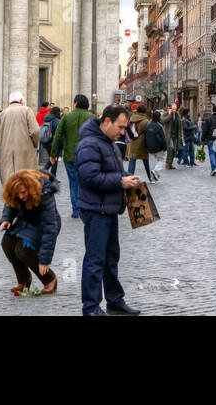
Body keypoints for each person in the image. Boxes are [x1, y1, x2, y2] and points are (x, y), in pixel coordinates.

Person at [75, 105, 142, 316]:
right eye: (120, 127)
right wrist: (120, 181)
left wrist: (126, 178)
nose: (123, 132)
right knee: (95, 260)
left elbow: (113, 171)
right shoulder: (89, 144)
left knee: (111, 258)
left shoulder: (110, 143)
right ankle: (91, 307)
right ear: (106, 122)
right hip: (96, 210)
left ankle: (114, 300)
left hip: (109, 208)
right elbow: (89, 177)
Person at [0, 168, 61, 296]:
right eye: (18, 194)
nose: (21, 197)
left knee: (23, 249)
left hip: (44, 224)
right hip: (26, 221)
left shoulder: (45, 194)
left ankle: (50, 279)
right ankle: (24, 280)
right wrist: (6, 219)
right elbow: (10, 204)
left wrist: (44, 259)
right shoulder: (17, 193)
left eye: (23, 192)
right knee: (7, 242)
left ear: (31, 187)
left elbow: (50, 227)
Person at [49, 94, 96, 218]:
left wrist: (53, 153)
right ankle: (86, 207)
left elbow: (57, 136)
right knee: (86, 182)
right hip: (88, 156)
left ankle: (76, 210)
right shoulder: (92, 117)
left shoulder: (66, 117)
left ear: (75, 103)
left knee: (73, 182)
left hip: (70, 155)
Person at [0, 91, 40, 184]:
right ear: (21, 100)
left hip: (6, 154)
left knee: (10, 185)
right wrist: (35, 144)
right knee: (26, 183)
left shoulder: (1, 115)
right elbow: (35, 131)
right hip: (25, 153)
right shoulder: (27, 111)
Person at [125, 104, 156, 182]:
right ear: (144, 111)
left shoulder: (131, 118)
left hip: (133, 142)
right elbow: (149, 132)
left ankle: (130, 177)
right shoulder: (145, 121)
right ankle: (150, 178)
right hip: (142, 143)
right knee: (146, 161)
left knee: (132, 160)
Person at [145, 109, 168, 177]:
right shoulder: (159, 127)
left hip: (149, 147)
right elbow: (163, 138)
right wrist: (165, 149)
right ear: (159, 117)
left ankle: (152, 178)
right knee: (162, 160)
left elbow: (145, 137)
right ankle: (155, 171)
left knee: (151, 163)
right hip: (158, 147)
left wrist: (146, 146)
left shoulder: (148, 126)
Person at [37, 104, 61, 168]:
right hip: (53, 143)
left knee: (52, 159)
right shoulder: (57, 121)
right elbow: (58, 133)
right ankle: (44, 171)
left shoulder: (47, 118)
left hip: (46, 141)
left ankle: (51, 174)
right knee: (53, 159)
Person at [165, 104, 182, 170]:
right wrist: (169, 115)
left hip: (176, 135)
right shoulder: (166, 114)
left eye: (175, 109)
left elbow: (180, 125)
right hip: (169, 135)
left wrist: (181, 134)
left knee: (174, 150)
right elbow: (163, 120)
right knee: (170, 149)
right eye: (173, 109)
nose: (174, 110)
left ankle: (170, 164)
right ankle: (167, 164)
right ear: (170, 108)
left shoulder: (177, 115)